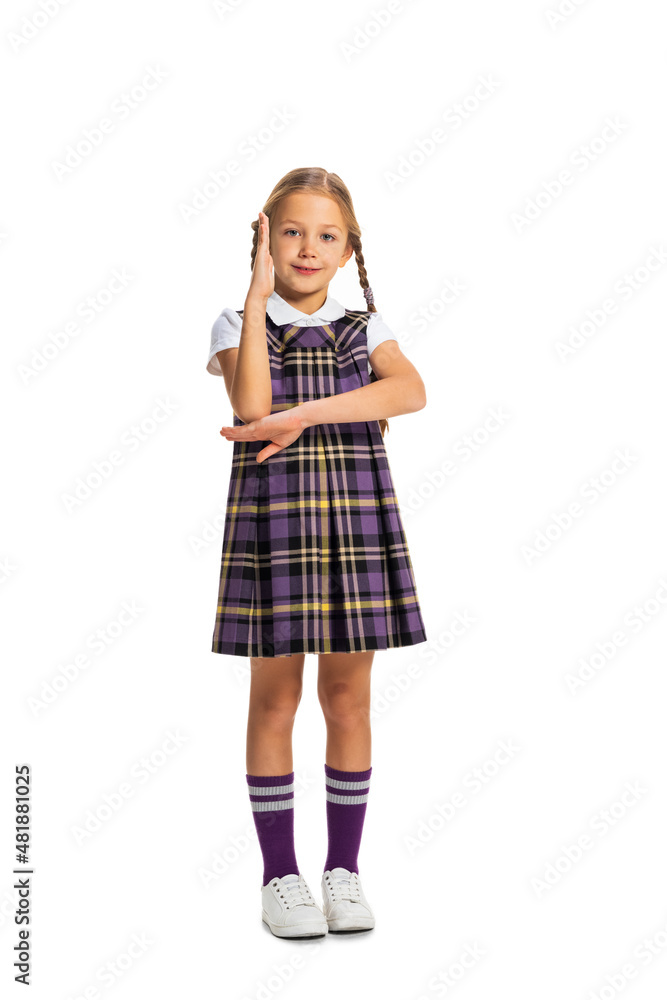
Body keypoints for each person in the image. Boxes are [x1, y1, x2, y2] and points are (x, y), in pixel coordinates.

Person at [206, 167, 428, 938]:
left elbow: (407, 392)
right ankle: (279, 878)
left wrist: (308, 416)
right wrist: (256, 295)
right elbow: (252, 408)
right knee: (273, 699)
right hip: (276, 529)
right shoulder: (239, 323)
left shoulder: (366, 326)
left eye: (325, 235)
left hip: (355, 526)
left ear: (347, 248)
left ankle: (343, 871)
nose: (308, 247)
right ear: (264, 239)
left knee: (347, 700)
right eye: (290, 231)